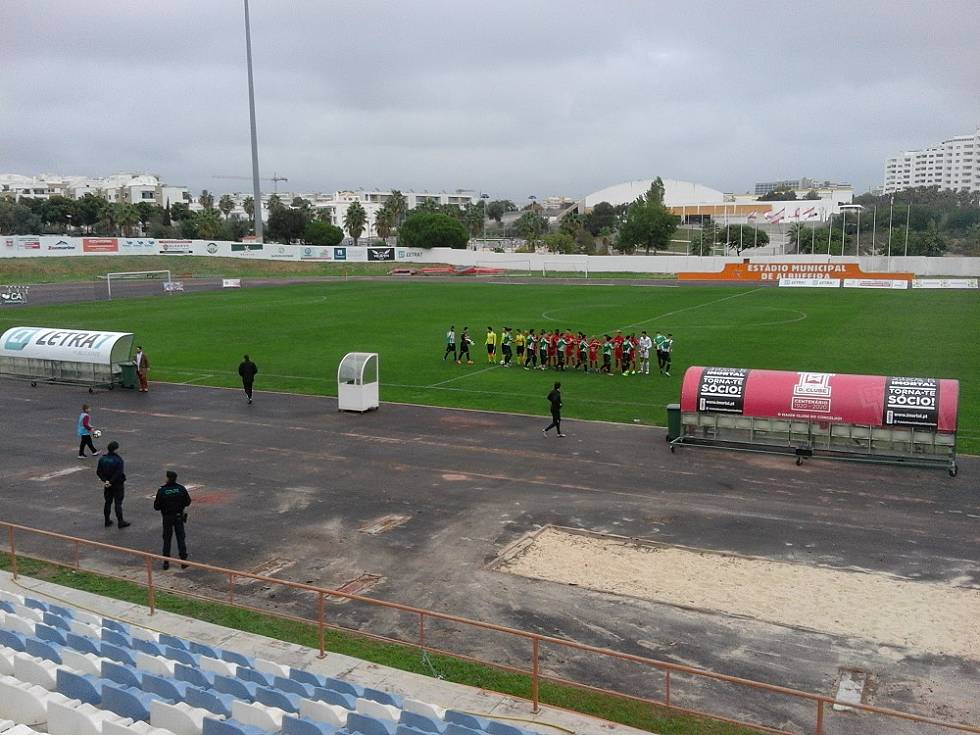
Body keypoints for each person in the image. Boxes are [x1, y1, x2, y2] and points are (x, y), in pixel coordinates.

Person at [154, 470, 192, 570]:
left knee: (167, 539)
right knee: (181, 538)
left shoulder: (162, 490)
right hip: (178, 516)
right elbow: (188, 502)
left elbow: (156, 506)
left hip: (167, 518)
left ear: (168, 478)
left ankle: (166, 563)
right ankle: (183, 562)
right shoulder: (180, 488)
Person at [97, 441, 130, 528]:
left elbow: (99, 472)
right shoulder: (118, 460)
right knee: (118, 503)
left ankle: (107, 520)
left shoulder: (102, 459)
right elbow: (118, 473)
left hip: (107, 484)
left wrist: (106, 481)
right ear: (115, 449)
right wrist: (111, 481)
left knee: (108, 502)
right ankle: (120, 521)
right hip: (117, 484)